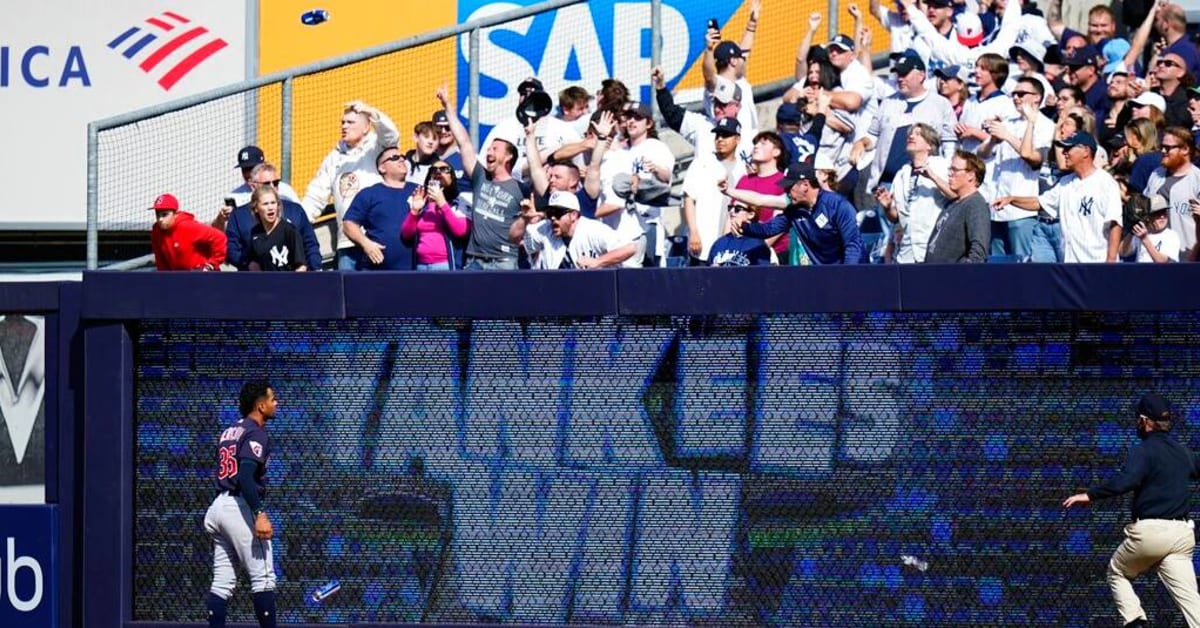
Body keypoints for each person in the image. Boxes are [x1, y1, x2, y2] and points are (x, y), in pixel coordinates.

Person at [1063, 393, 1200, 628]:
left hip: (1151, 533)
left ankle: (1136, 621)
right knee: (1191, 601)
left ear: (1145, 421)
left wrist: (1089, 494)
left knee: (1117, 572)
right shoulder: (1183, 452)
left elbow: (1125, 481)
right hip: (1181, 535)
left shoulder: (1143, 450)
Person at [204, 380, 279, 628]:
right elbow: (245, 475)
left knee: (222, 584)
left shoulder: (229, 431)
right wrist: (259, 513)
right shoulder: (256, 432)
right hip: (238, 505)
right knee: (264, 579)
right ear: (260, 405)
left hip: (218, 507)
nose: (276, 403)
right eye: (272, 399)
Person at [299, 100, 399, 269]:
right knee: (349, 293)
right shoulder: (334, 157)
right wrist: (296, 222)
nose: (344, 126)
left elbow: (391, 135)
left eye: (350, 122)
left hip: (378, 238)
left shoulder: (377, 148)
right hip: (347, 243)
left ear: (366, 127)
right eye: (343, 122)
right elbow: (315, 195)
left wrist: (370, 111)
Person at [994, 131, 1123, 263]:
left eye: (1069, 148)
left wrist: (1111, 260)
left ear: (1085, 151)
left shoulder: (1106, 183)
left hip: (1098, 262)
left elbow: (1115, 223)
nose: (1064, 153)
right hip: (1071, 263)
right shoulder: (1065, 182)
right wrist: (1012, 199)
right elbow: (1039, 203)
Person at [436, 85, 526, 270]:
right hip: (474, 260)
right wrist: (448, 107)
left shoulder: (520, 189)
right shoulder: (480, 177)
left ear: (509, 156)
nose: (489, 152)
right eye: (489, 149)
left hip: (504, 261)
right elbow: (464, 143)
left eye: (495, 149)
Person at [720, 162, 863, 265]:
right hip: (823, 276)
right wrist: (744, 227)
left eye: (789, 187)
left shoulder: (838, 206)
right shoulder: (795, 210)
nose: (786, 192)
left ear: (805, 185)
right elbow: (769, 229)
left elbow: (852, 247)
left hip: (851, 275)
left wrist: (846, 278)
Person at [224, 163, 322, 271]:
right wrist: (248, 264)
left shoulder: (295, 211)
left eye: (275, 183)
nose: (272, 187)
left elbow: (310, 244)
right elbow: (231, 248)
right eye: (266, 184)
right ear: (253, 186)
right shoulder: (239, 216)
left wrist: (315, 270)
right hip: (256, 280)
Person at [342, 146, 417, 271]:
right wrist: (366, 244)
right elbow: (348, 224)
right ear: (382, 168)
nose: (401, 160)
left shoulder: (418, 191)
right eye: (394, 158)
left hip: (416, 271)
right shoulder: (369, 194)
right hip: (376, 272)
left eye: (402, 157)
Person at [400, 160, 472, 271]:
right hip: (421, 265)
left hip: (446, 265)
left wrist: (442, 203)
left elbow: (461, 231)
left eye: (444, 169)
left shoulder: (460, 201)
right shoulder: (421, 201)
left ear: (452, 177)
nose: (438, 173)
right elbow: (406, 235)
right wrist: (414, 211)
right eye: (434, 170)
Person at [924, 150, 991, 263]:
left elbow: (978, 252)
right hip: (934, 275)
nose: (950, 174)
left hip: (952, 277)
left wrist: (960, 276)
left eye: (954, 170)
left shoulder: (976, 205)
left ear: (971, 176)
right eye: (950, 169)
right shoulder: (953, 203)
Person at [149, 193, 227, 272]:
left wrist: (211, 265)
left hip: (204, 277)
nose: (160, 219)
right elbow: (160, 261)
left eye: (164, 214)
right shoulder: (156, 231)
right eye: (157, 215)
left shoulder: (188, 227)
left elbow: (220, 237)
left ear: (175, 214)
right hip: (179, 279)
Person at [246, 187, 306, 272]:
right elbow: (254, 263)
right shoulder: (255, 233)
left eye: (273, 203)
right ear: (256, 208)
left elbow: (301, 267)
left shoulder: (289, 231)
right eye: (265, 204)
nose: (270, 207)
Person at [707, 202, 774, 266]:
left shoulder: (757, 245)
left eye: (737, 209)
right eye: (730, 207)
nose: (732, 211)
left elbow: (763, 275)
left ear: (751, 214)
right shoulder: (719, 243)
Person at [1119, 194, 1180, 263]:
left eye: (1164, 212)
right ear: (1148, 215)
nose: (1162, 216)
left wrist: (1145, 239)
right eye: (1157, 213)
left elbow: (1165, 263)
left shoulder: (1171, 235)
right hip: (1141, 272)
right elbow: (1123, 252)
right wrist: (1131, 230)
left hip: (1160, 273)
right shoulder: (1141, 231)